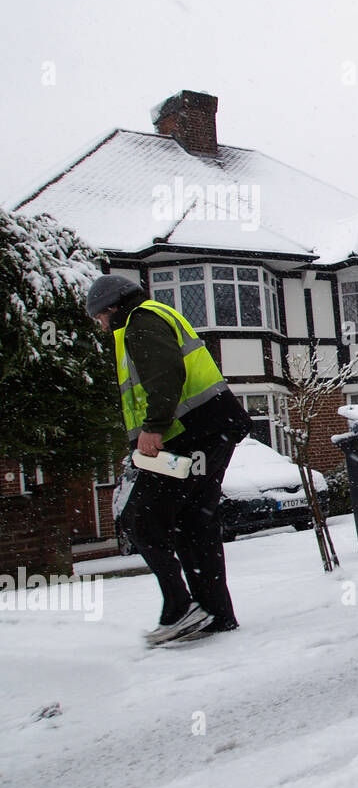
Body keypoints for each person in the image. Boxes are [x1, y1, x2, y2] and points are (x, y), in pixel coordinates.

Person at [86, 274, 252, 646]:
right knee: (195, 522)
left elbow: (166, 375)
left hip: (190, 435)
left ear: (112, 307)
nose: (98, 324)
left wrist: (154, 428)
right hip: (211, 430)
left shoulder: (141, 322)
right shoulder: (150, 316)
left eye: (98, 316)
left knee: (140, 519)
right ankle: (215, 614)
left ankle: (179, 608)